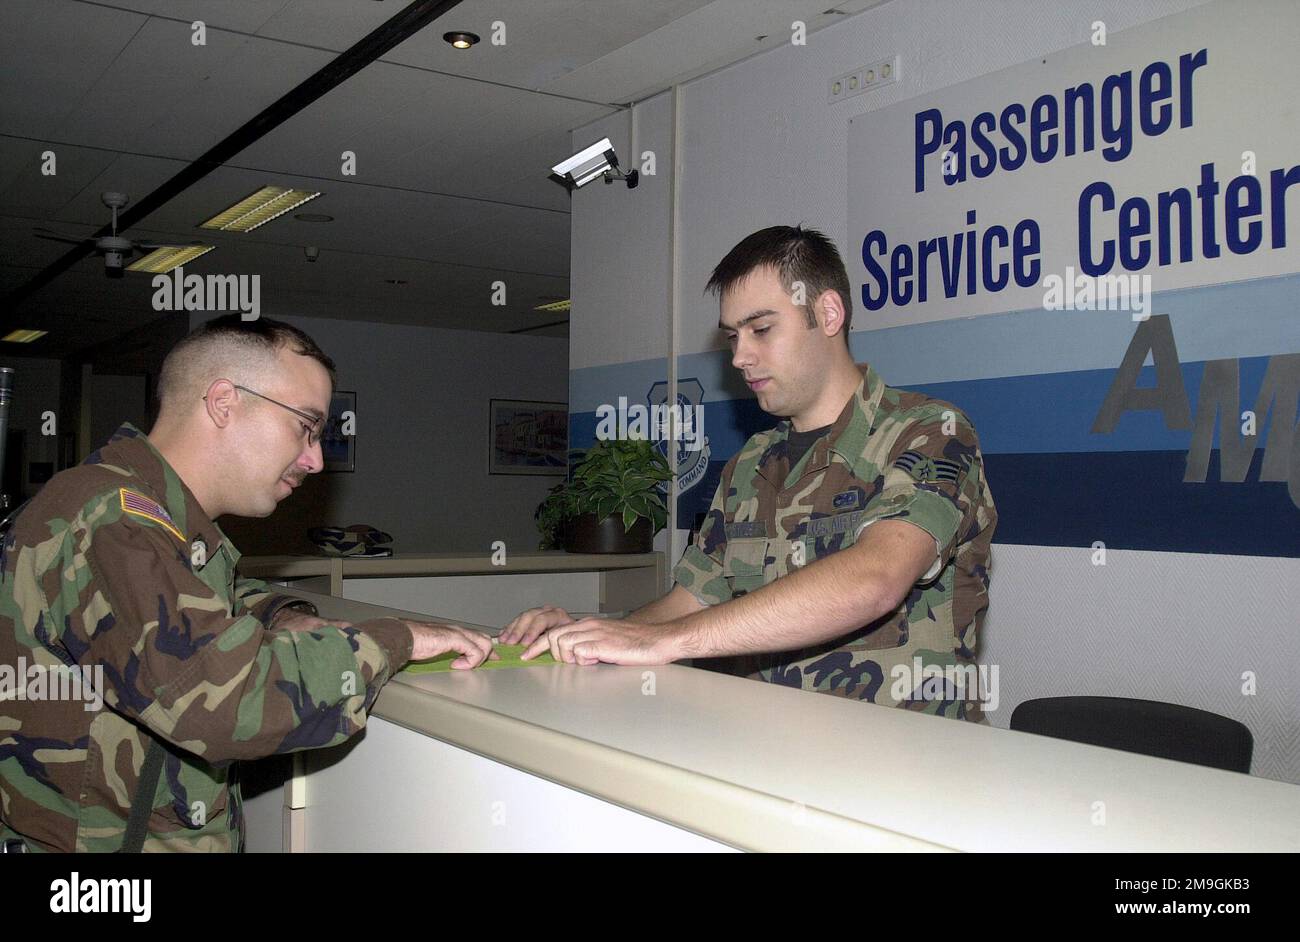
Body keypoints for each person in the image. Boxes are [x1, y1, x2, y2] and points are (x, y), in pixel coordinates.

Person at [0, 315, 496, 852]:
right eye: (306, 425)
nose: (315, 459)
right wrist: (395, 639)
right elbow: (222, 705)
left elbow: (195, 605)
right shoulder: (110, 520)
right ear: (223, 402)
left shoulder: (145, 512)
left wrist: (281, 614)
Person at [503, 225, 997, 720]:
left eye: (761, 329)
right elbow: (693, 599)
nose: (740, 356)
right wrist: (589, 635)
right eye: (733, 337)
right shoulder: (750, 464)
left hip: (905, 770)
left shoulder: (928, 431)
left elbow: (876, 578)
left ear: (827, 314)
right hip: (762, 758)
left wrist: (668, 641)